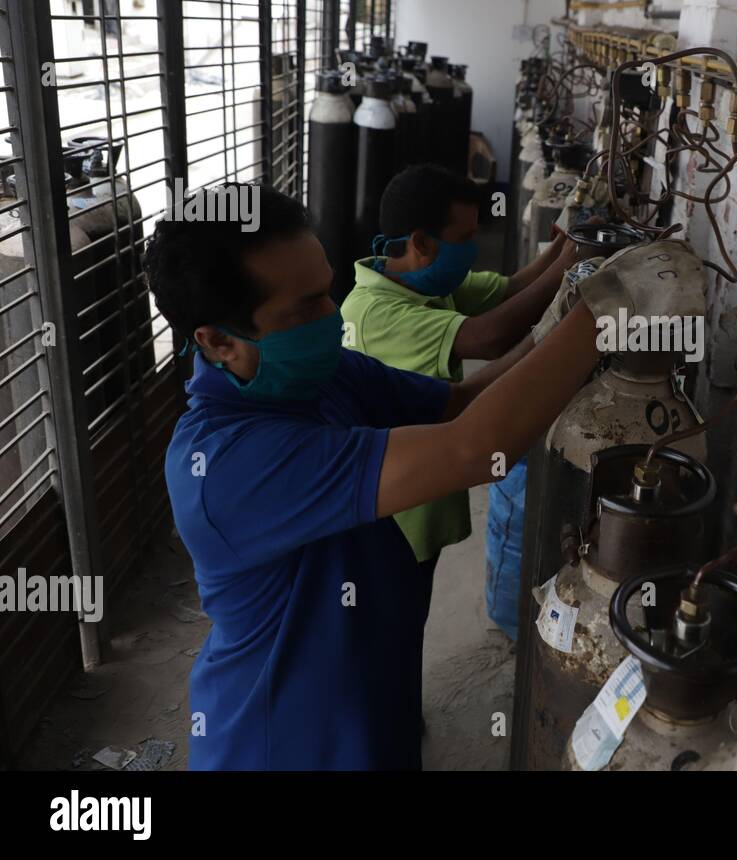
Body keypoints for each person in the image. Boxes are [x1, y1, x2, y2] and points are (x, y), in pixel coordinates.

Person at [145, 184, 696, 769]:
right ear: (219, 341)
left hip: (371, 692)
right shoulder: (227, 466)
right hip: (285, 739)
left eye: (326, 292)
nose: (332, 315)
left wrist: (554, 324)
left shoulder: (319, 376)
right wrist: (602, 313)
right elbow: (476, 449)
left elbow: (458, 402)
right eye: (304, 308)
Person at [340, 164, 577, 640]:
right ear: (422, 243)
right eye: (464, 237)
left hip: (421, 497)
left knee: (410, 616)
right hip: (391, 510)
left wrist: (569, 247)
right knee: (388, 624)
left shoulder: (423, 280)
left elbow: (512, 291)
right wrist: (574, 327)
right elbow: (489, 337)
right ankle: (391, 712)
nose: (472, 248)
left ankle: (400, 709)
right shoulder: (375, 312)